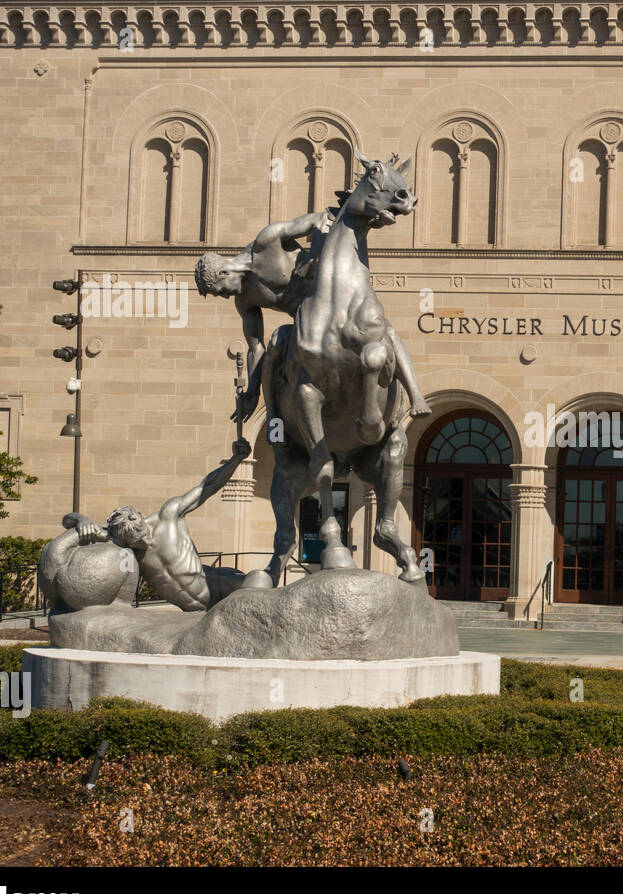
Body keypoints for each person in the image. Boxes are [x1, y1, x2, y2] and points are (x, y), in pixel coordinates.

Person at [194, 210, 431, 427]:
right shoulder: (245, 300)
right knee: (276, 346)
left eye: (221, 290)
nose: (226, 297)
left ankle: (415, 394)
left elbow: (321, 220)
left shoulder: (267, 242)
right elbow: (256, 347)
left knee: (383, 329)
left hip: (333, 296)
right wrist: (252, 392)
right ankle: (274, 419)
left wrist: (312, 259)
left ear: (225, 272)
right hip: (306, 321)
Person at [65, 439, 253, 612]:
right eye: (138, 542)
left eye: (144, 533)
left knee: (259, 583)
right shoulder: (119, 535)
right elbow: (68, 520)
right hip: (196, 613)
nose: (145, 541)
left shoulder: (169, 515)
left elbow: (207, 487)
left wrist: (235, 460)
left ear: (140, 517)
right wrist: (82, 520)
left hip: (221, 588)